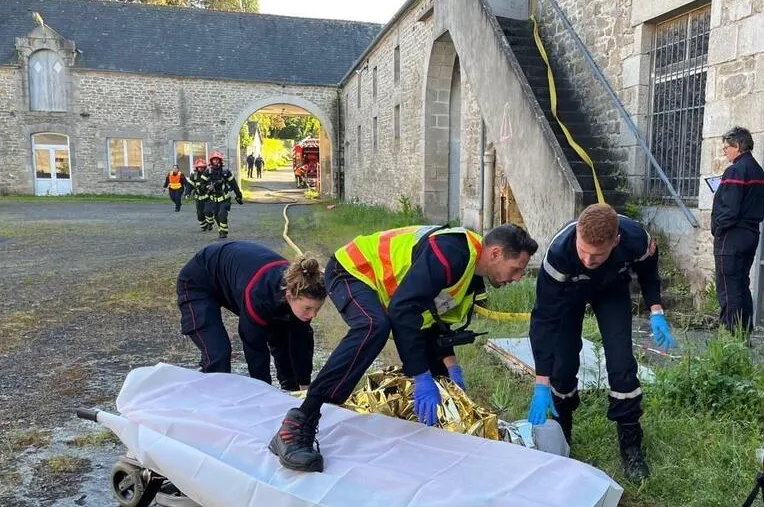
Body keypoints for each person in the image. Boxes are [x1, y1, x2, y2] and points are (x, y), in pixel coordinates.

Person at [268, 223, 538, 473]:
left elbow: (430, 323)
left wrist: (451, 367)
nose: (517, 278)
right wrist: (420, 376)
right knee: (373, 326)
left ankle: (435, 441)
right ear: (495, 253)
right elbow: (403, 310)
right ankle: (297, 424)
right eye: (516, 269)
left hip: (380, 289)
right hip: (351, 270)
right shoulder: (452, 253)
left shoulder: (470, 277)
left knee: (437, 374)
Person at [526, 204, 675, 481]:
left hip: (611, 291)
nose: (588, 259)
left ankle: (631, 446)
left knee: (622, 363)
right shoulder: (559, 254)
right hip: (568, 293)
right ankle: (562, 435)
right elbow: (544, 321)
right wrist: (541, 382)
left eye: (597, 255)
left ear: (615, 241)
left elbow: (648, 269)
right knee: (563, 363)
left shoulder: (635, 238)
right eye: (583, 250)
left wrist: (656, 309)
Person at [176, 241, 327, 390]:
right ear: (289, 296)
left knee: (284, 339)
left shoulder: (301, 286)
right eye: (308, 308)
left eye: (317, 308)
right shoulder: (259, 296)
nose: (313, 314)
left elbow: (300, 343)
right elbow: (255, 350)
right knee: (218, 355)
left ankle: (290, 389)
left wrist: (304, 386)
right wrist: (264, 391)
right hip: (199, 281)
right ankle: (212, 398)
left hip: (236, 276)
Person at [710, 127, 764, 336]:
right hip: (750, 234)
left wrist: (718, 228)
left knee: (728, 289)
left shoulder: (735, 171)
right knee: (742, 285)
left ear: (737, 146)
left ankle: (730, 338)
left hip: (732, 236)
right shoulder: (758, 171)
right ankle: (744, 335)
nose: (725, 151)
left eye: (726, 147)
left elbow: (730, 209)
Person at [206, 150, 243, 239]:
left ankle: (223, 232)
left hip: (224, 199)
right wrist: (207, 187)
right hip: (213, 199)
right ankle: (221, 229)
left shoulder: (226, 172)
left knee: (222, 214)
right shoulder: (207, 172)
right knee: (216, 215)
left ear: (220, 161)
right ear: (211, 161)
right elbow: (202, 184)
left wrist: (238, 195)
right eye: (214, 160)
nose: (215, 161)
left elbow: (234, 185)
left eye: (217, 159)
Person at [190, 157, 212, 230]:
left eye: (202, 167)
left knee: (208, 211)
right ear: (196, 168)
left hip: (207, 197)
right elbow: (190, 185)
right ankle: (204, 226)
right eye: (199, 167)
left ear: (204, 167)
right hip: (198, 198)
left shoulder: (208, 175)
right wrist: (187, 193)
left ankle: (210, 223)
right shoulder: (194, 176)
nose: (200, 168)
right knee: (199, 214)